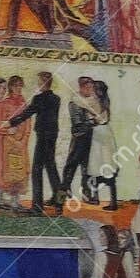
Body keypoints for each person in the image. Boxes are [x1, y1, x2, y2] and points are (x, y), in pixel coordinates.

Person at [5, 69, 61, 211]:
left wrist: (11, 122)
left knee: (37, 170)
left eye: (39, 82)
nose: (38, 84)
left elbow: (27, 113)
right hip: (53, 136)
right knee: (51, 168)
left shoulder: (39, 99)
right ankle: (59, 202)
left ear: (43, 83)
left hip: (43, 136)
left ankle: (37, 206)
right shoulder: (56, 99)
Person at [0, 75, 31, 210]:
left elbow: (28, 123)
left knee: (21, 172)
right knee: (9, 172)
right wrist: (11, 137)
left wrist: (24, 139)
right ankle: (4, 199)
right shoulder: (5, 103)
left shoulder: (24, 102)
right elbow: (3, 123)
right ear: (11, 87)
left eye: (20, 86)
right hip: (9, 143)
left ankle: (15, 200)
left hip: (21, 143)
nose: (18, 88)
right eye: (15, 86)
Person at [59, 75, 98, 204]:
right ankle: (61, 196)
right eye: (88, 87)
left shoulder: (93, 101)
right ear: (82, 87)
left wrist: (93, 121)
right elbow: (77, 124)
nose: (91, 90)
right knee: (71, 167)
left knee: (87, 169)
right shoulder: (75, 102)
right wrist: (93, 121)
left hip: (90, 139)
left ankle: (86, 196)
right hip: (79, 139)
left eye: (92, 87)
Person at [88, 79, 120, 211]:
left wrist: (91, 119)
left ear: (98, 91)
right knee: (99, 165)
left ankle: (105, 200)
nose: (92, 91)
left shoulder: (97, 103)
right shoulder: (103, 102)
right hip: (102, 134)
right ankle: (98, 197)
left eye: (94, 89)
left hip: (100, 135)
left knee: (100, 164)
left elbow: (96, 119)